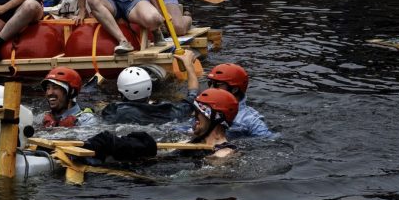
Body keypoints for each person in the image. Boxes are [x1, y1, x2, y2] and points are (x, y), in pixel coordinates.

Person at [84, 86, 239, 163]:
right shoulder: (191, 141)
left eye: (200, 112)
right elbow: (162, 155)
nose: (194, 115)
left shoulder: (224, 154)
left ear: (216, 118)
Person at [101, 50, 201, 124]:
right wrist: (189, 66)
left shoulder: (113, 113)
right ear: (150, 90)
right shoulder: (171, 112)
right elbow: (193, 94)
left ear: (121, 93)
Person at [204, 62, 272, 138]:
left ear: (234, 89)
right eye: (210, 83)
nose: (210, 89)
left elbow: (270, 141)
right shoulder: (204, 109)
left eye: (218, 85)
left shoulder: (250, 121)